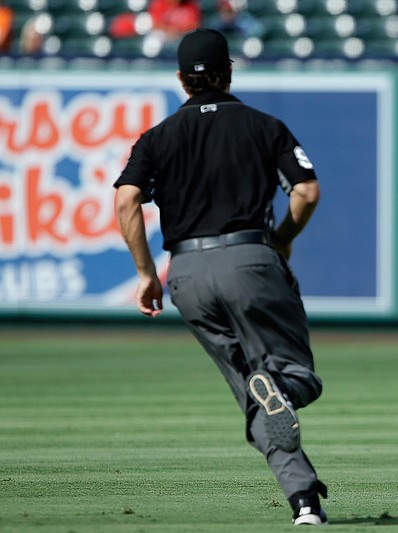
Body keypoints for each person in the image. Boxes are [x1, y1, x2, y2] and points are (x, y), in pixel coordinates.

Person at [113, 29, 328, 525]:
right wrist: (283, 239)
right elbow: (307, 191)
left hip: (186, 274)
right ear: (228, 72)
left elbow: (126, 200)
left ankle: (304, 501)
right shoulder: (263, 126)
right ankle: (284, 392)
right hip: (250, 260)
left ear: (181, 80)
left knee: (255, 395)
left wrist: (146, 273)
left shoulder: (158, 137)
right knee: (295, 378)